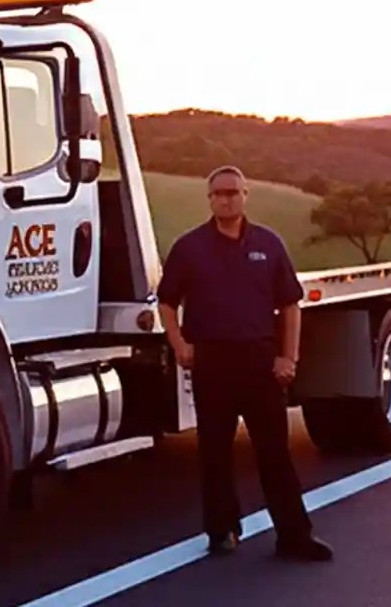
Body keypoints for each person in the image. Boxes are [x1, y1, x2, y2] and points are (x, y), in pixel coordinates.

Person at [156, 165, 333, 561]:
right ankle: (221, 531)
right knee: (214, 452)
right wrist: (180, 345)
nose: (226, 199)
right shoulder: (190, 248)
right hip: (212, 362)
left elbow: (289, 303)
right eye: (218, 193)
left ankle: (294, 536)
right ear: (210, 199)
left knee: (274, 452)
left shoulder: (268, 245)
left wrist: (289, 356)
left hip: (259, 362)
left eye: (233, 192)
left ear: (245, 195)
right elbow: (166, 301)